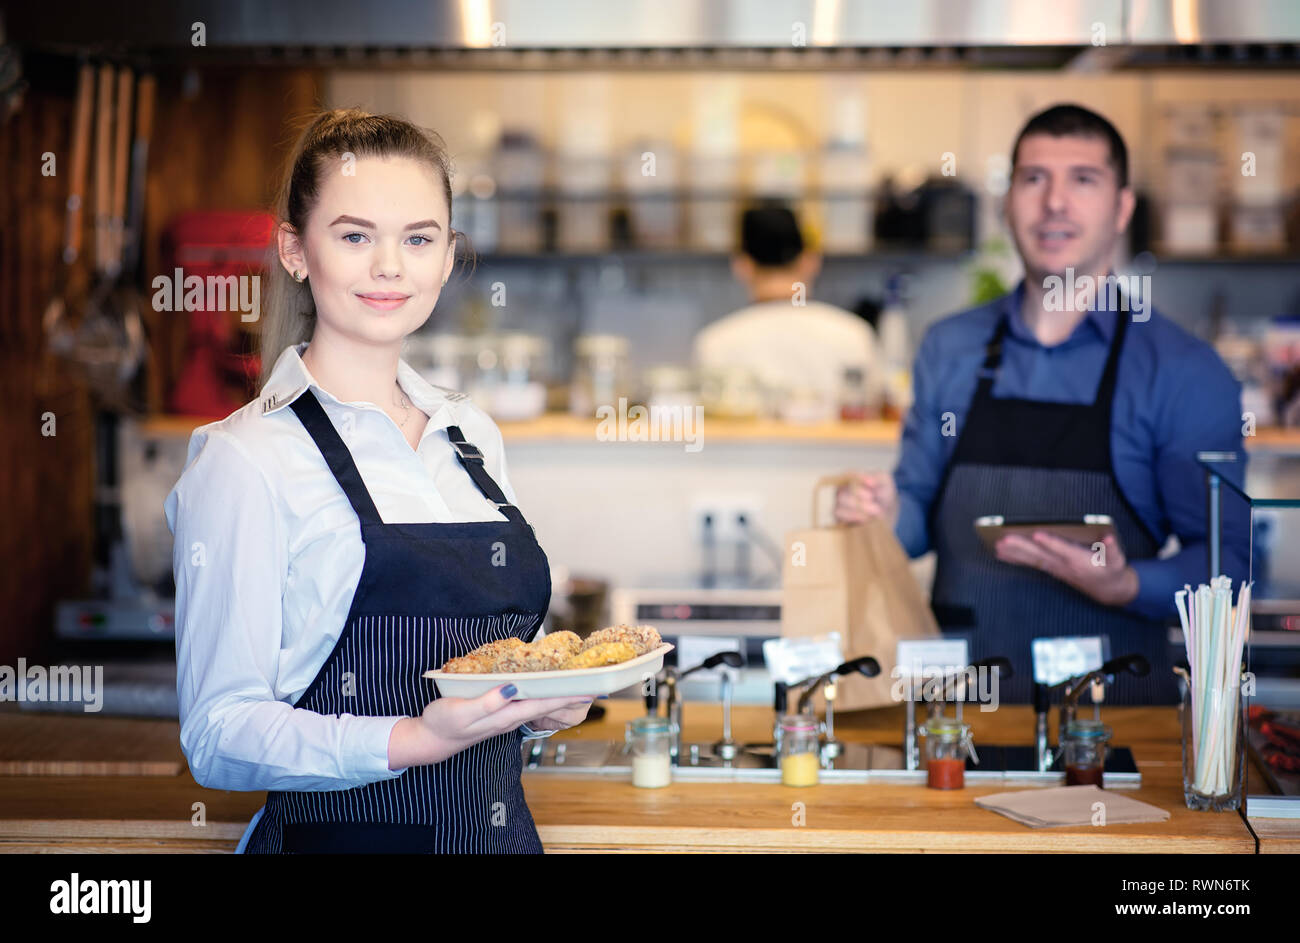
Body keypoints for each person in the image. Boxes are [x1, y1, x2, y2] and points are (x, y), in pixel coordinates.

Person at [163, 109, 591, 854]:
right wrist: (415, 736)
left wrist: (540, 700)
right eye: (355, 236)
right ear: (296, 250)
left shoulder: (472, 437)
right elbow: (218, 734)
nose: (390, 266)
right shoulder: (247, 458)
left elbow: (499, 660)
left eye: (418, 239)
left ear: (449, 254)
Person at [834, 104, 1249, 704]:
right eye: (1033, 179)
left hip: (1114, 731)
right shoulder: (950, 346)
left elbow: (1227, 565)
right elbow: (917, 518)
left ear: (1123, 207)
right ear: (1007, 204)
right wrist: (883, 512)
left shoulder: (1183, 371)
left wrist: (1128, 583)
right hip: (957, 716)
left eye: (1083, 179)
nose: (1055, 202)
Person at [693, 205, 881, 420]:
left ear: (742, 266)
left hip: (752, 455)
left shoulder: (714, 343)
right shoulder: (855, 335)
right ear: (810, 261)